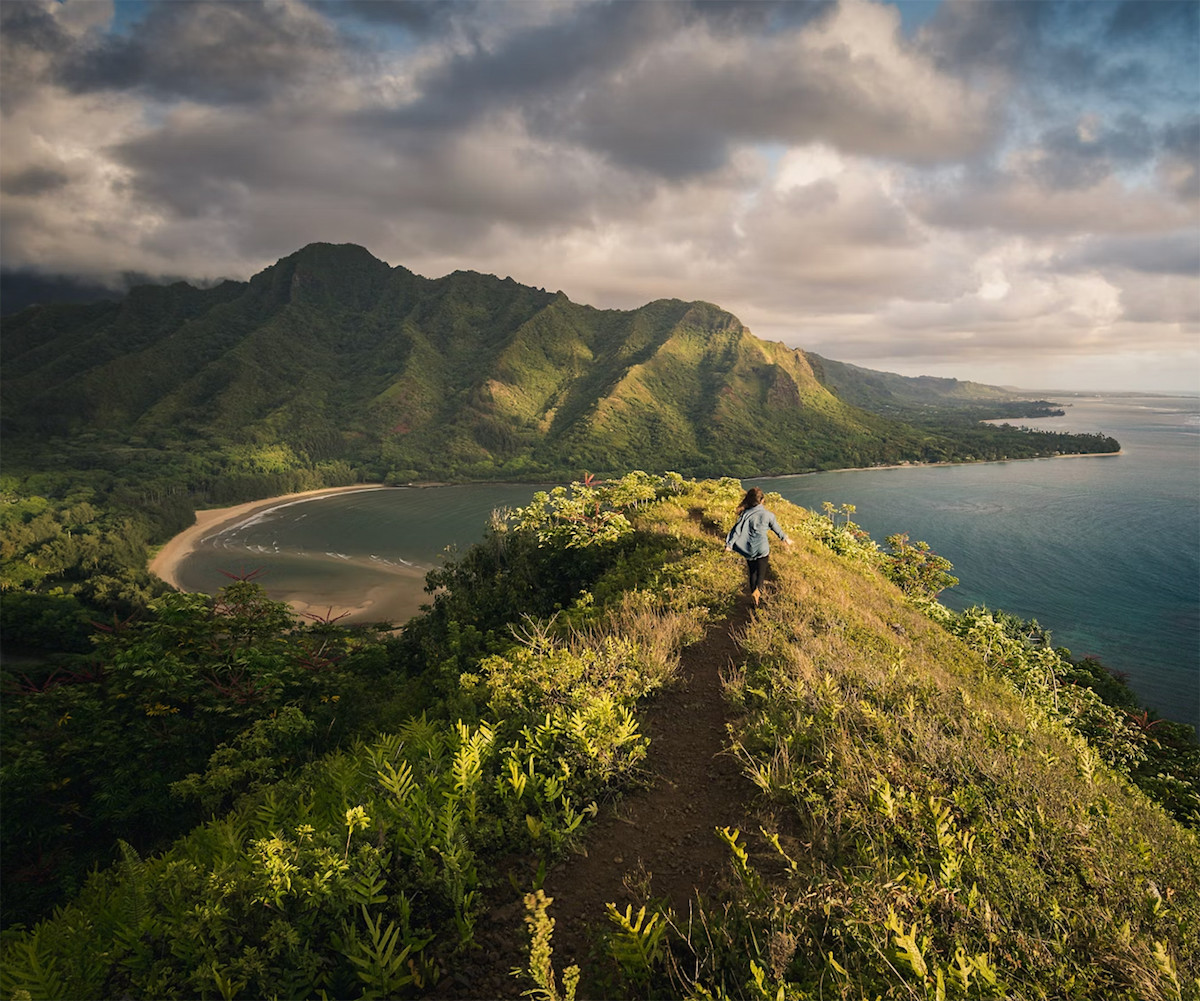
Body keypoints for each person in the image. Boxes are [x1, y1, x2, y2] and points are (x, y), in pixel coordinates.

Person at [725, 487, 791, 605]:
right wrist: (785, 539)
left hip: (748, 549)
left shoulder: (744, 515)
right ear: (762, 501)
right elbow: (777, 529)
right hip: (762, 548)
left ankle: (753, 598)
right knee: (761, 574)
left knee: (752, 572)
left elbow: (737, 531)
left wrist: (729, 545)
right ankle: (758, 593)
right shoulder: (768, 515)